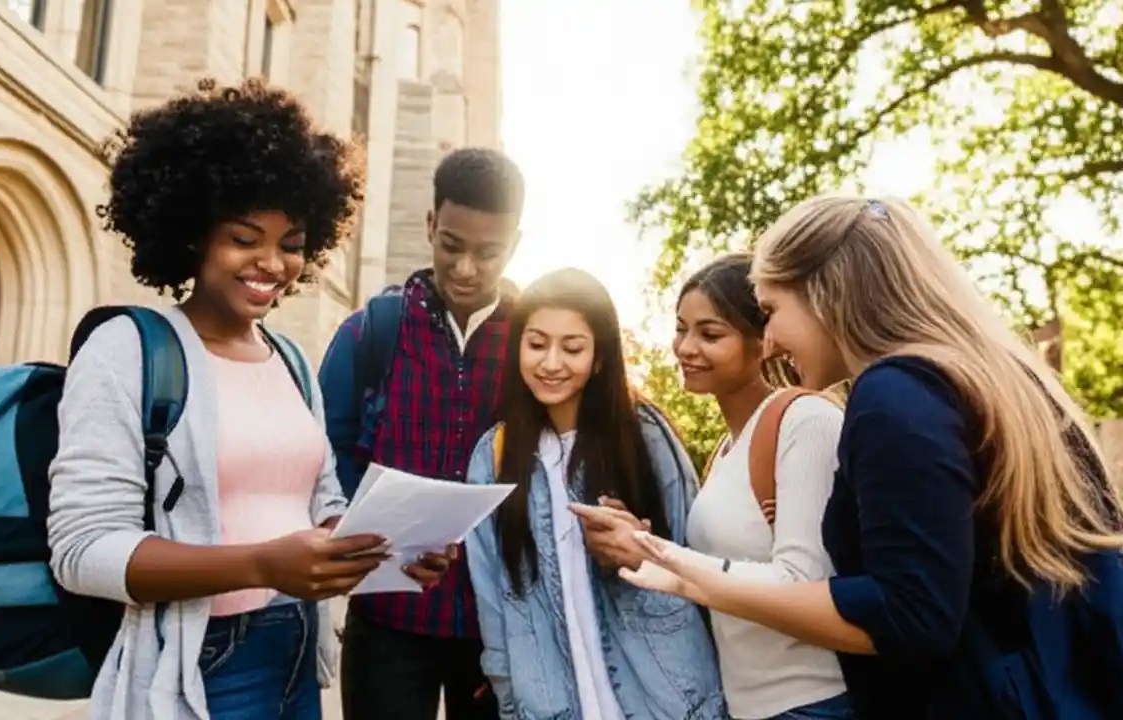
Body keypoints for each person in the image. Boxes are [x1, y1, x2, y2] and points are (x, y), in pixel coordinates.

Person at [619, 195, 1123, 718]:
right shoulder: (983, 377)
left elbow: (910, 615)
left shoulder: (892, 397)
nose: (774, 341)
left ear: (826, 292)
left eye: (771, 311)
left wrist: (697, 579)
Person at [47, 78, 454, 720]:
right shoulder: (128, 348)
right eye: (245, 238)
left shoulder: (290, 359)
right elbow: (82, 551)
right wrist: (262, 564)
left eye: (291, 244)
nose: (272, 262)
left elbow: (320, 503)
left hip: (295, 650)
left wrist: (389, 550)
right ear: (191, 234)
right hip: (199, 663)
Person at [574, 254, 851, 720]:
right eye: (681, 328)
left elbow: (804, 583)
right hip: (746, 706)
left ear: (762, 341)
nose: (685, 347)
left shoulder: (806, 421)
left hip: (812, 702)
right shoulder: (726, 450)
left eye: (710, 333)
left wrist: (655, 553)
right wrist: (639, 543)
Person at [465, 268, 726, 719]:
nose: (551, 363)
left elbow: (696, 563)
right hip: (549, 703)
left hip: (667, 700)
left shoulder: (645, 437)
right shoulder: (493, 457)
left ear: (600, 357)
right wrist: (509, 700)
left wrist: (641, 549)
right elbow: (493, 602)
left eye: (572, 348)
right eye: (536, 343)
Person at [319, 147, 525, 719]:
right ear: (431, 224)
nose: (465, 269)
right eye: (451, 246)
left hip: (496, 624)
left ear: (516, 244)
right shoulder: (372, 331)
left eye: (488, 254)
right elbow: (324, 456)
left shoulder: (537, 343)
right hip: (387, 618)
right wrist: (354, 529)